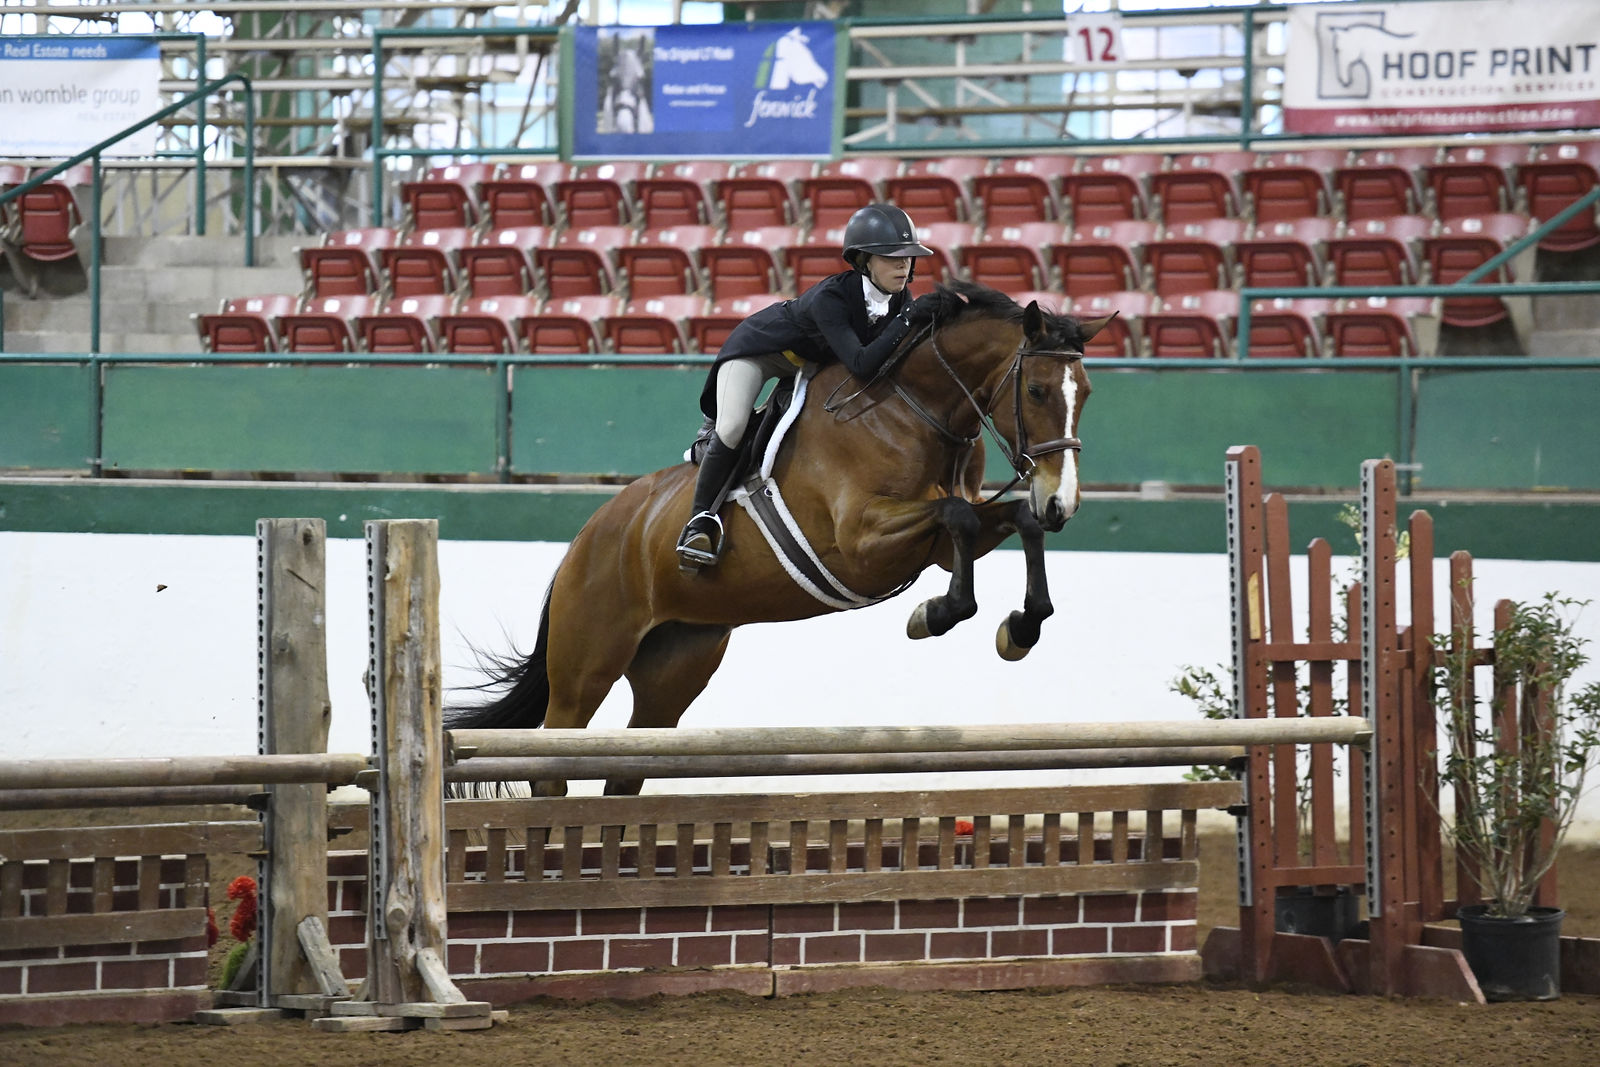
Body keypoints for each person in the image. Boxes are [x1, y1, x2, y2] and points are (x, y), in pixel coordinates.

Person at [676, 202, 934, 570]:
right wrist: (910, 317)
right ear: (863, 260)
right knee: (732, 426)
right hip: (761, 350)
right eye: (892, 257)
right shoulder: (833, 297)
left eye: (908, 257)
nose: (904, 265)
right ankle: (699, 521)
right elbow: (861, 364)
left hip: (811, 362)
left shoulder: (899, 300)